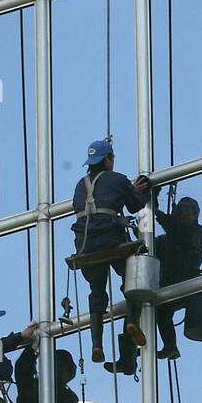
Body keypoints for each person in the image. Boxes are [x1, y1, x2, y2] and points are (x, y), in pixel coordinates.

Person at [71, 140, 152, 375]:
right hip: (111, 240)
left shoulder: (80, 185)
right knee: (131, 279)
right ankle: (132, 321)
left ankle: (96, 344)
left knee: (97, 292)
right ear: (108, 160)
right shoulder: (117, 179)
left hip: (85, 245)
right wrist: (140, 191)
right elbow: (135, 205)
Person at [153, 196, 202, 361]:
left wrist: (156, 212)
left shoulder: (195, 230)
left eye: (186, 208)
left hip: (187, 281)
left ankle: (170, 347)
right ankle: (171, 347)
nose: (182, 211)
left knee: (162, 309)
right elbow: (154, 247)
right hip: (171, 282)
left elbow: (178, 231)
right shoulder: (167, 239)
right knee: (161, 311)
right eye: (180, 208)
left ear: (195, 215)